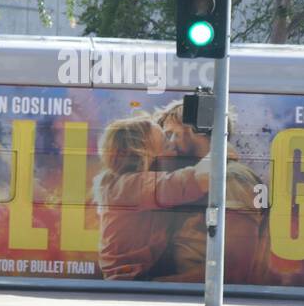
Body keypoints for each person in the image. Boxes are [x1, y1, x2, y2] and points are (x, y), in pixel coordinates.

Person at [151, 101, 271, 285]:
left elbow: (234, 269)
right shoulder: (201, 179)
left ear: (194, 130)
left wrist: (159, 284)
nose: (169, 144)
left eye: (171, 134)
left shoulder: (232, 178)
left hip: (208, 296)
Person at [93, 116, 210, 280]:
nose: (173, 146)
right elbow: (201, 179)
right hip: (132, 281)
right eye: (165, 142)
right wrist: (221, 150)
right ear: (143, 154)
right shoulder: (132, 186)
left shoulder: (120, 183)